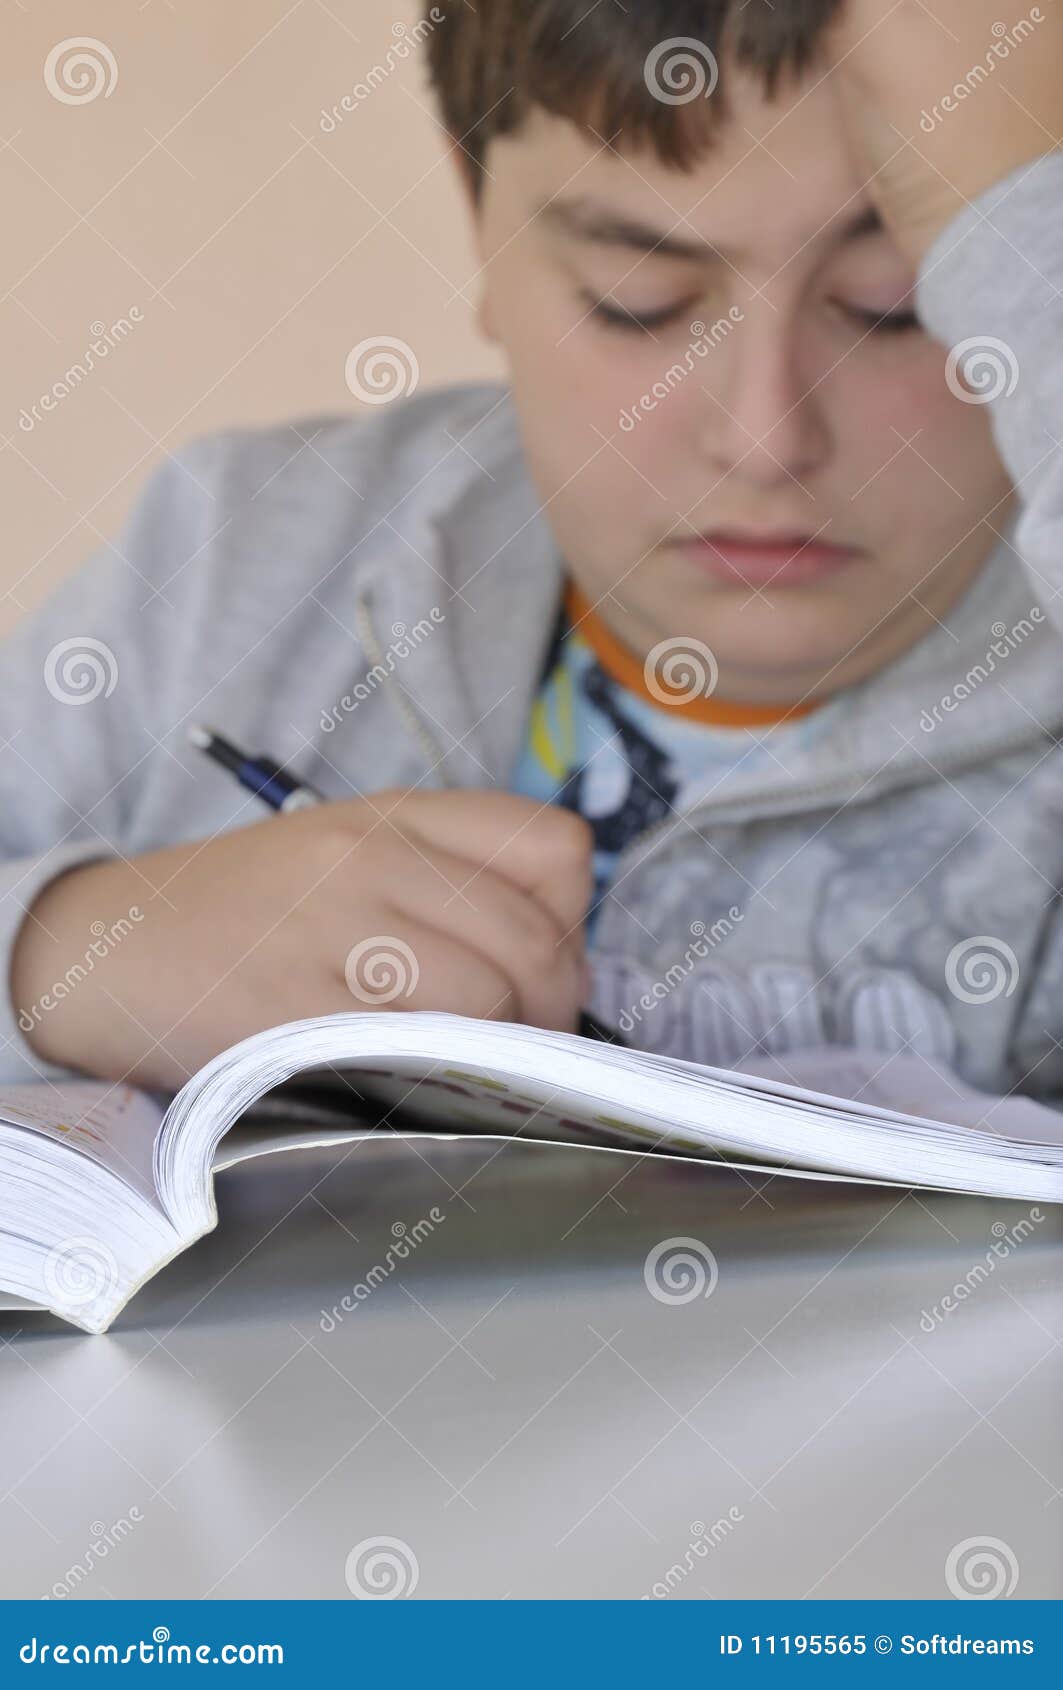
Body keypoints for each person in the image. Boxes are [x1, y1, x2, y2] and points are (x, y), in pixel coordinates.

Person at [3, 0, 1062, 1101]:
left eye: (894, 303)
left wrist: (1022, 221)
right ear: (479, 223)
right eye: (636, 302)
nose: (765, 437)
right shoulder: (237, 551)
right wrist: (66, 948)